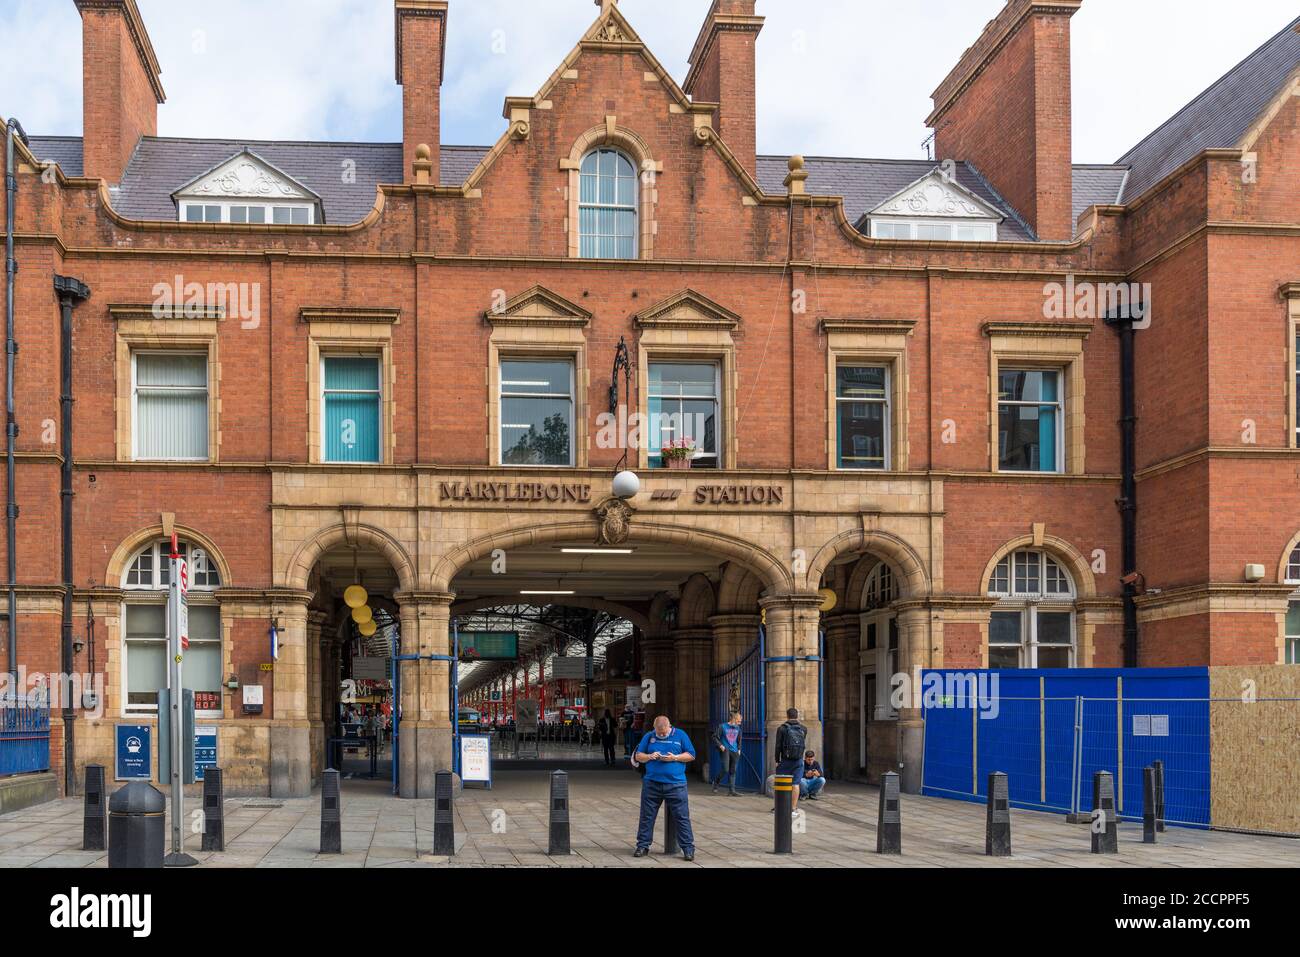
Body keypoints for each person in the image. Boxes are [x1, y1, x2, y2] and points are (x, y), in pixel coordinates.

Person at [633, 715, 696, 861]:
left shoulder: (680, 735)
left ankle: (688, 848)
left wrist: (675, 757)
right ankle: (642, 846)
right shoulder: (649, 736)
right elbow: (638, 756)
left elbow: (691, 755)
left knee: (682, 817)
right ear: (654, 728)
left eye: (664, 733)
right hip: (652, 783)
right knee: (646, 816)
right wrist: (649, 756)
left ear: (669, 726)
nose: (661, 735)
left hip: (676, 784)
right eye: (658, 733)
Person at [773, 707, 808, 815]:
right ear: (797, 715)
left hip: (785, 760)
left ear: (787, 715)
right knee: (795, 784)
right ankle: (793, 808)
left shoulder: (782, 728)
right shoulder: (803, 728)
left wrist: (777, 760)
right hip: (798, 760)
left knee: (780, 784)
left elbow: (778, 746)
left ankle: (779, 807)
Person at [711, 711, 744, 795]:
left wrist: (739, 749)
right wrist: (721, 745)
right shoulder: (722, 726)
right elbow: (714, 737)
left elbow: (739, 740)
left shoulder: (738, 728)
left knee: (733, 771)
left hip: (735, 751)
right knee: (725, 769)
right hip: (725, 750)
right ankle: (716, 782)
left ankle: (732, 791)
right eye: (738, 721)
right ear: (733, 719)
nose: (739, 723)